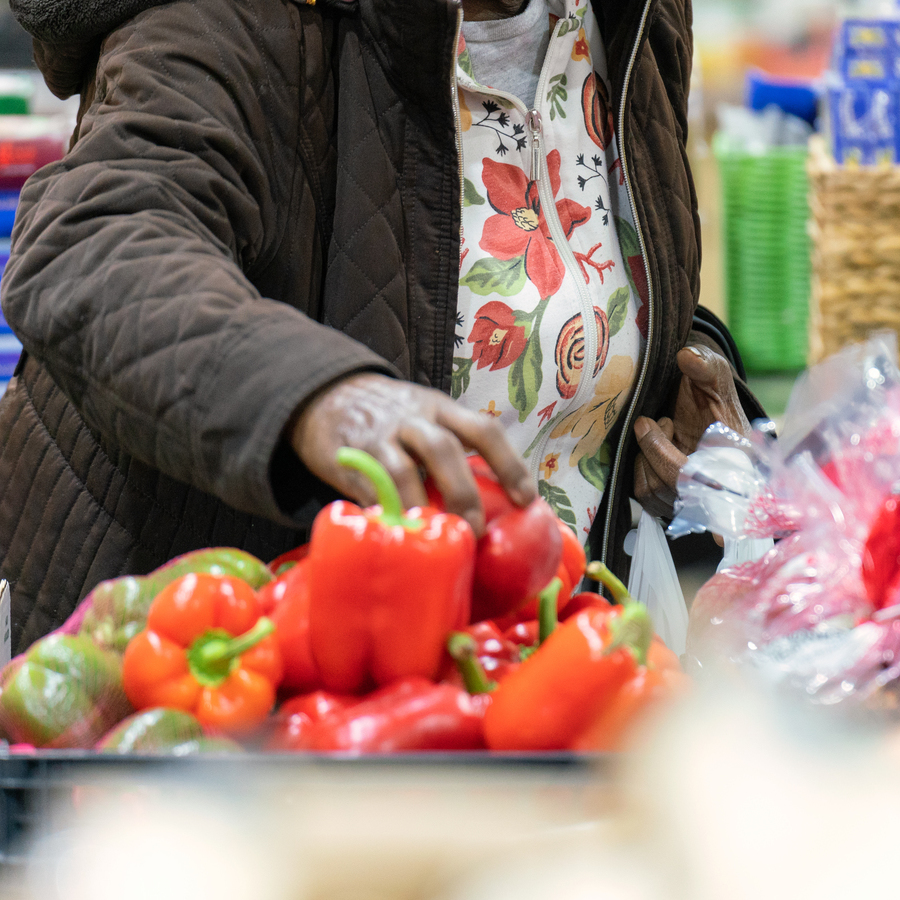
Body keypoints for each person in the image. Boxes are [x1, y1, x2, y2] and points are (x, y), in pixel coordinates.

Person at [0, 0, 761, 654]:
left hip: (508, 675)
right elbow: (97, 238)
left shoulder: (632, 18)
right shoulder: (247, 18)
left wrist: (660, 396)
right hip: (220, 671)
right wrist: (318, 397)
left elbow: (559, 276)